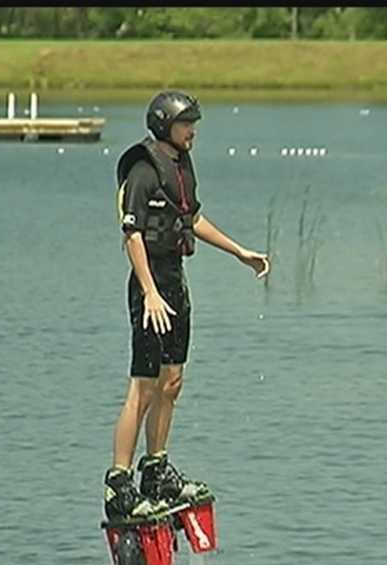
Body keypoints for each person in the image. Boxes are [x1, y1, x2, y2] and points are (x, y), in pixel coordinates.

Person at [103, 90, 270, 522]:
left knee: (172, 381)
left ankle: (155, 470)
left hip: (175, 279)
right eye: (186, 123)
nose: (193, 130)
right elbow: (133, 235)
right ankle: (118, 483)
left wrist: (239, 252)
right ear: (165, 125)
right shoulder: (142, 169)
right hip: (150, 284)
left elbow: (191, 218)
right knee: (142, 386)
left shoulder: (180, 165)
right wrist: (150, 292)